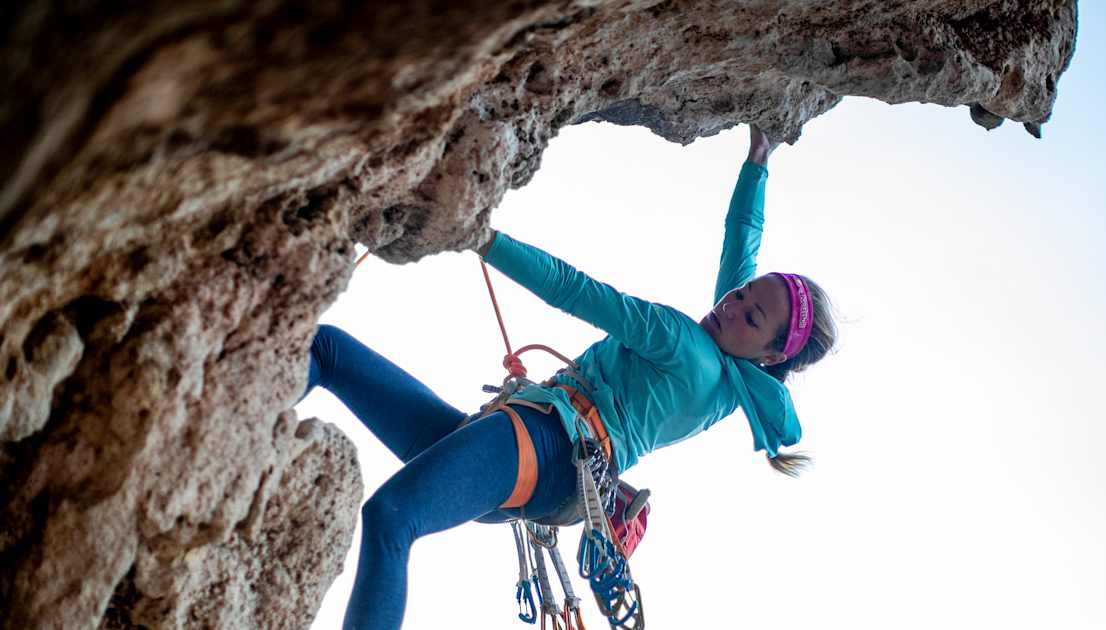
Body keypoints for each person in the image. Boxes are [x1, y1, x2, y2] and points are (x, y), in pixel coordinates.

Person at [302, 124, 837, 629]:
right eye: (741, 293)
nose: (731, 303)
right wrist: (757, 162)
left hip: (547, 445)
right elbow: (740, 248)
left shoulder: (681, 342)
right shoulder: (737, 384)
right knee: (325, 351)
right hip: (543, 466)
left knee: (392, 518)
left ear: (769, 354)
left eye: (749, 314)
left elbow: (575, 290)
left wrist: (481, 239)